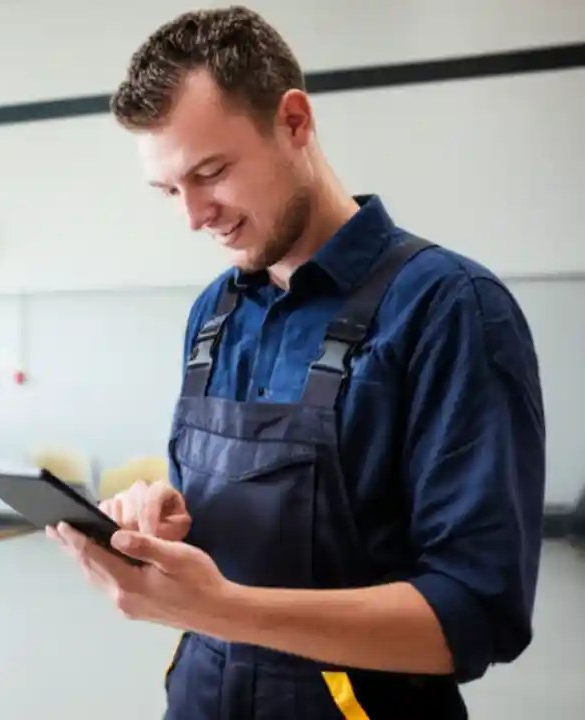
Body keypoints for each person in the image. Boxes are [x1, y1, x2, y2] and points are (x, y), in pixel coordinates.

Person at [46, 6, 546, 719]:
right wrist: (165, 512)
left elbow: (476, 611)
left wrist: (223, 609)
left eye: (211, 172)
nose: (194, 216)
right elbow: (230, 513)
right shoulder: (215, 313)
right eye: (169, 191)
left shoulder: (448, 307)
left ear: (295, 122)